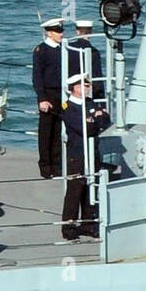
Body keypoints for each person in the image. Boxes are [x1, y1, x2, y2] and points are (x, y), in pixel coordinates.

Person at [61, 73, 110, 241]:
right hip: (78, 153)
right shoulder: (68, 107)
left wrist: (95, 119)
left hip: (92, 152)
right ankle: (69, 228)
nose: (87, 87)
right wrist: (94, 120)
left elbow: (105, 121)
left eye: (88, 85)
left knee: (91, 189)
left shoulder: (90, 103)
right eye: (83, 85)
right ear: (73, 88)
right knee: (75, 191)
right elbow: (84, 129)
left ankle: (88, 224)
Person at [32, 18, 66, 178]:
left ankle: (57, 164)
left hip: (62, 93)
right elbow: (37, 76)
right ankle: (45, 166)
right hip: (48, 94)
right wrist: (42, 98)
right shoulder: (41, 51)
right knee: (46, 132)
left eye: (61, 30)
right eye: (58, 31)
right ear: (49, 32)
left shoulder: (63, 49)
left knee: (59, 130)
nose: (61, 34)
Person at [68, 19, 104, 100]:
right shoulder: (94, 52)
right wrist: (102, 102)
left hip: (70, 89)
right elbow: (97, 76)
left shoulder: (68, 48)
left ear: (77, 31)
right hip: (88, 91)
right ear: (91, 32)